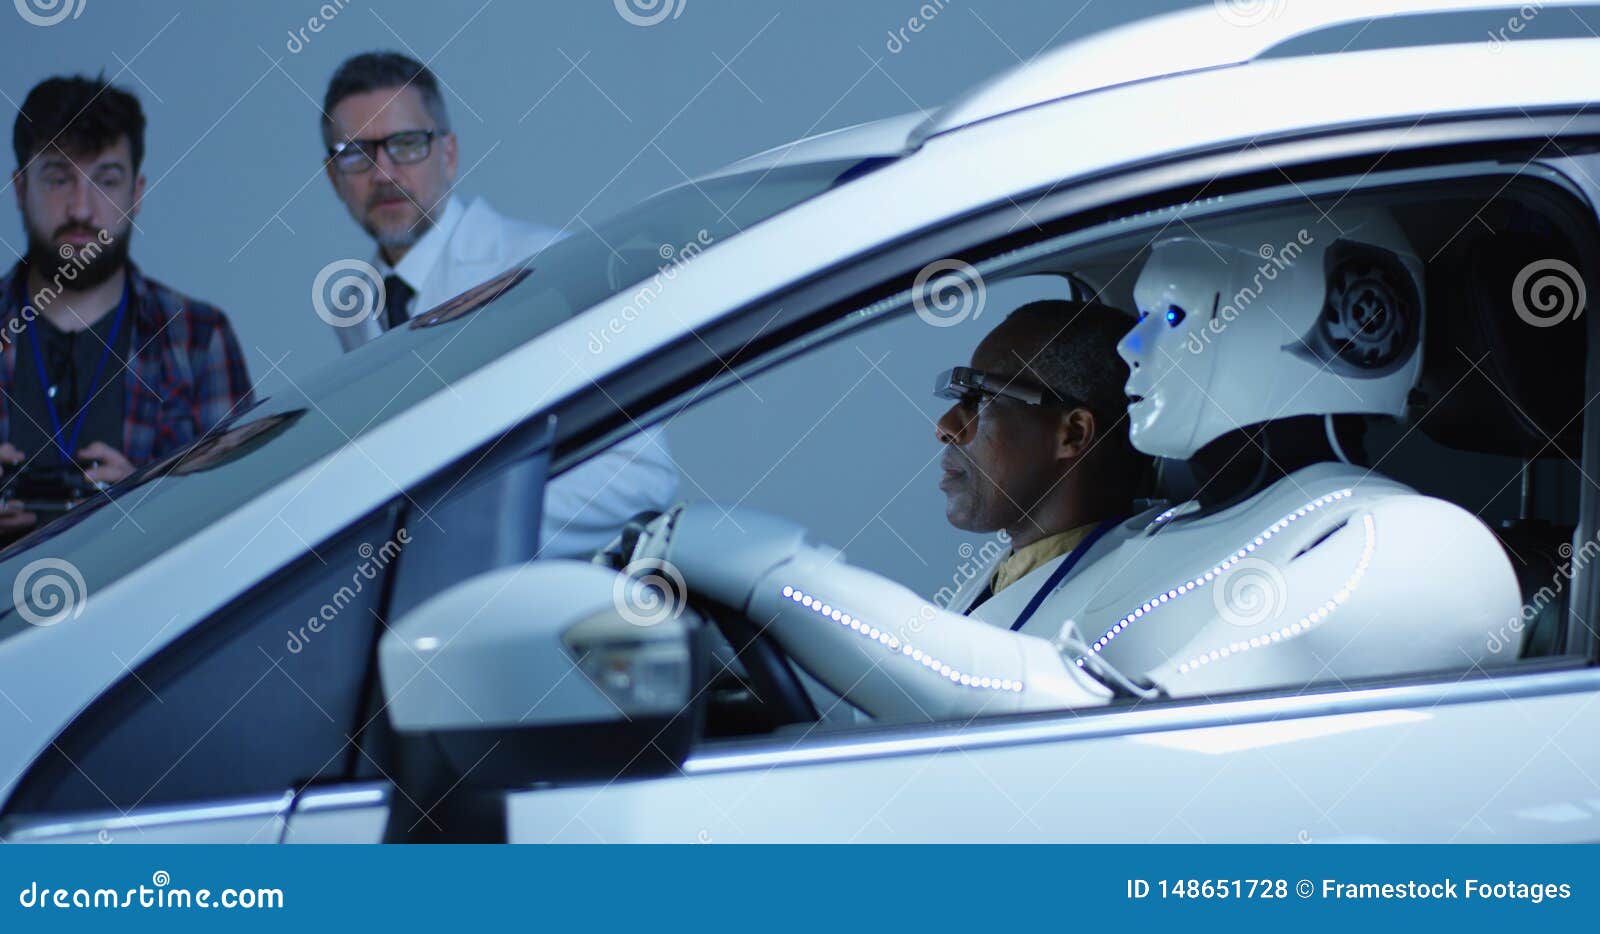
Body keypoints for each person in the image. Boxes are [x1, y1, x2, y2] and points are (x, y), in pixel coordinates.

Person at [626, 207, 1521, 721]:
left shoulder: (1414, 547)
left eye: (1165, 316)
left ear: (1277, 322)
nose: (1129, 351)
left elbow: (1100, 738)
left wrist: (786, 578)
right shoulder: (1161, 539)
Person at [319, 52, 677, 558]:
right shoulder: (357, 306)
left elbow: (638, 476)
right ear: (334, 178)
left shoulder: (546, 266)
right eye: (355, 153)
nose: (383, 173)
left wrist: (446, 535)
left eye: (405, 144)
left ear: (449, 153)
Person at [0, 75, 253, 540]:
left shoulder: (198, 337)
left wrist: (148, 505)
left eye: (106, 180)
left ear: (136, 193)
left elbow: (242, 523)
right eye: (57, 178)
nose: (81, 209)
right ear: (19, 188)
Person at [932, 300, 1146, 628]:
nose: (945, 426)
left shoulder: (1126, 605)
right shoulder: (1002, 574)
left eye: (981, 399)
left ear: (1072, 433)